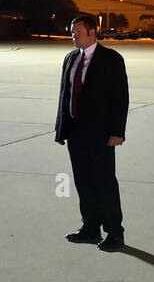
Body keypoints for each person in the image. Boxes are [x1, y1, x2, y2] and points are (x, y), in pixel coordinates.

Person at [55, 15, 129, 251]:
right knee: (83, 182)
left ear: (92, 32)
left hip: (101, 134)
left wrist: (117, 132)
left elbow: (121, 98)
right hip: (76, 132)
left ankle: (115, 233)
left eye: (77, 31)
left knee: (104, 182)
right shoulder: (70, 58)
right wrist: (61, 128)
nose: (73, 35)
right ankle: (90, 228)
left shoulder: (111, 59)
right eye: (71, 31)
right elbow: (64, 95)